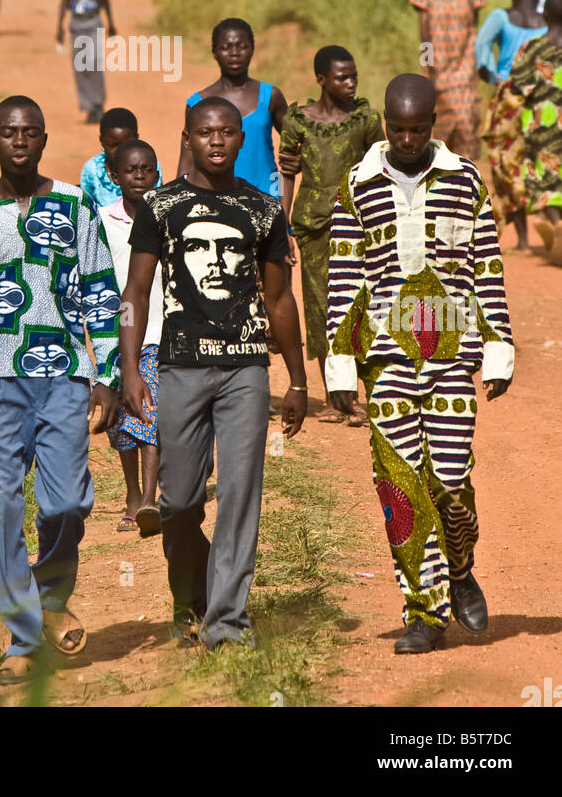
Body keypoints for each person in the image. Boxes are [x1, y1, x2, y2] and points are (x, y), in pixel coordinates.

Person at [0, 97, 120, 685]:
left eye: (30, 133)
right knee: (1, 504)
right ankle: (22, 635)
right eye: (8, 133)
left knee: (68, 501)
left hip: (61, 374)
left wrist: (107, 373)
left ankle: (49, 593)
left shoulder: (74, 203)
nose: (19, 141)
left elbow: (98, 288)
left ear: (43, 138)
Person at [325, 74, 514, 654]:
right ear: (383, 122)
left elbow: (487, 267)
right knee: (400, 487)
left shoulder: (466, 180)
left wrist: (500, 346)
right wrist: (339, 363)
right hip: (385, 357)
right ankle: (423, 611)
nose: (407, 139)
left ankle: (459, 569)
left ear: (434, 125)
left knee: (452, 482)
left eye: (418, 129)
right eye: (397, 128)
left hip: (454, 354)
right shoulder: (356, 187)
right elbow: (343, 278)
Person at [120, 97, 307, 648]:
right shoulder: (162, 206)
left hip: (245, 369)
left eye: (228, 132)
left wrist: (296, 380)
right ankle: (192, 592)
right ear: (188, 138)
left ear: (241, 139)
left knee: (240, 493)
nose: (217, 142)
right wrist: (130, 369)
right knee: (178, 502)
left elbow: (279, 299)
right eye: (206, 133)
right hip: (179, 367)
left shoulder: (263, 209)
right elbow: (134, 291)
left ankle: (226, 622)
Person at [278, 46, 384, 424]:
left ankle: (370, 395)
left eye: (354, 76)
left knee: (364, 301)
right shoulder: (298, 121)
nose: (351, 83)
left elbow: (382, 165)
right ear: (321, 79)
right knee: (321, 305)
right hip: (313, 223)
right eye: (342, 77)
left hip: (361, 221)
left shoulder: (365, 119)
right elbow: (287, 171)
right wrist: (283, 222)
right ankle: (337, 396)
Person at [102, 140, 165, 536]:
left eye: (147, 170)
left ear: (157, 174)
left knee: (149, 413)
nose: (139, 176)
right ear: (114, 176)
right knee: (122, 421)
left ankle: (149, 498)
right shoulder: (101, 221)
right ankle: (131, 493)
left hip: (158, 329)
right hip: (115, 334)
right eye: (130, 170)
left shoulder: (165, 217)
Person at [178, 18, 289, 203]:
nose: (234, 53)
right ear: (214, 52)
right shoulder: (198, 104)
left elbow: (293, 154)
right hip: (214, 200)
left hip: (266, 199)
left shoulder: (271, 96)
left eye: (242, 46)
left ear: (252, 49)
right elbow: (186, 163)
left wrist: (283, 207)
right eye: (226, 47)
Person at [478, 0, 546, 249]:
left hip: (509, 99)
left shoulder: (502, 16)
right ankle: (540, 229)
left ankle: (522, 240)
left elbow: (482, 48)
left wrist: (494, 78)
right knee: (533, 160)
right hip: (539, 100)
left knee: (505, 161)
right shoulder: (547, 20)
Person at [409, 0, 485, 159]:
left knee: (467, 121)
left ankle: (467, 175)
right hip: (439, 71)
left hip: (465, 68)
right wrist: (428, 67)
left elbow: (473, 29)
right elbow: (424, 36)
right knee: (441, 124)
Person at [504, 0, 562, 262]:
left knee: (542, 180)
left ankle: (556, 224)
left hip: (542, 126)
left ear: (546, 15)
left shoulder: (533, 48)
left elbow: (518, 84)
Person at [56, 0, 115, 125]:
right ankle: (88, 106)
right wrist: (59, 27)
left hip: (93, 22)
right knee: (80, 66)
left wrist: (111, 24)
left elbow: (105, 0)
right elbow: (64, 2)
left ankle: (98, 104)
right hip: (76, 24)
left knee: (93, 64)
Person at [80, 107, 163, 208]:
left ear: (136, 138)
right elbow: (85, 208)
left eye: (127, 144)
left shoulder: (149, 166)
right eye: (112, 145)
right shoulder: (92, 169)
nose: (119, 151)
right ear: (101, 141)